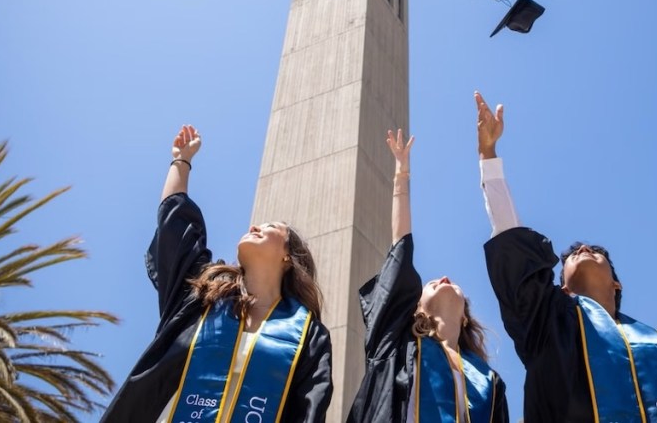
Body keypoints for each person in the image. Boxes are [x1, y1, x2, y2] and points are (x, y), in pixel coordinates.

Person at [474, 93, 657, 423]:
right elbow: (512, 240)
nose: (583, 250)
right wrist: (488, 155)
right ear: (563, 289)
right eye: (573, 254)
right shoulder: (548, 323)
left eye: (596, 251)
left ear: (617, 284)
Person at [101, 125, 333, 423]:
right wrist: (181, 161)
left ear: (289, 256)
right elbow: (175, 228)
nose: (255, 227)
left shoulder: (307, 335)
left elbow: (309, 412)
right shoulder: (205, 294)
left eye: (271, 227)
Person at [346, 129, 509, 423]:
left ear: (465, 317)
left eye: (453, 285)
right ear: (416, 307)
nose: (444, 278)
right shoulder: (396, 344)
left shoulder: (489, 382)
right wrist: (401, 177)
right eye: (431, 283)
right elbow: (400, 248)